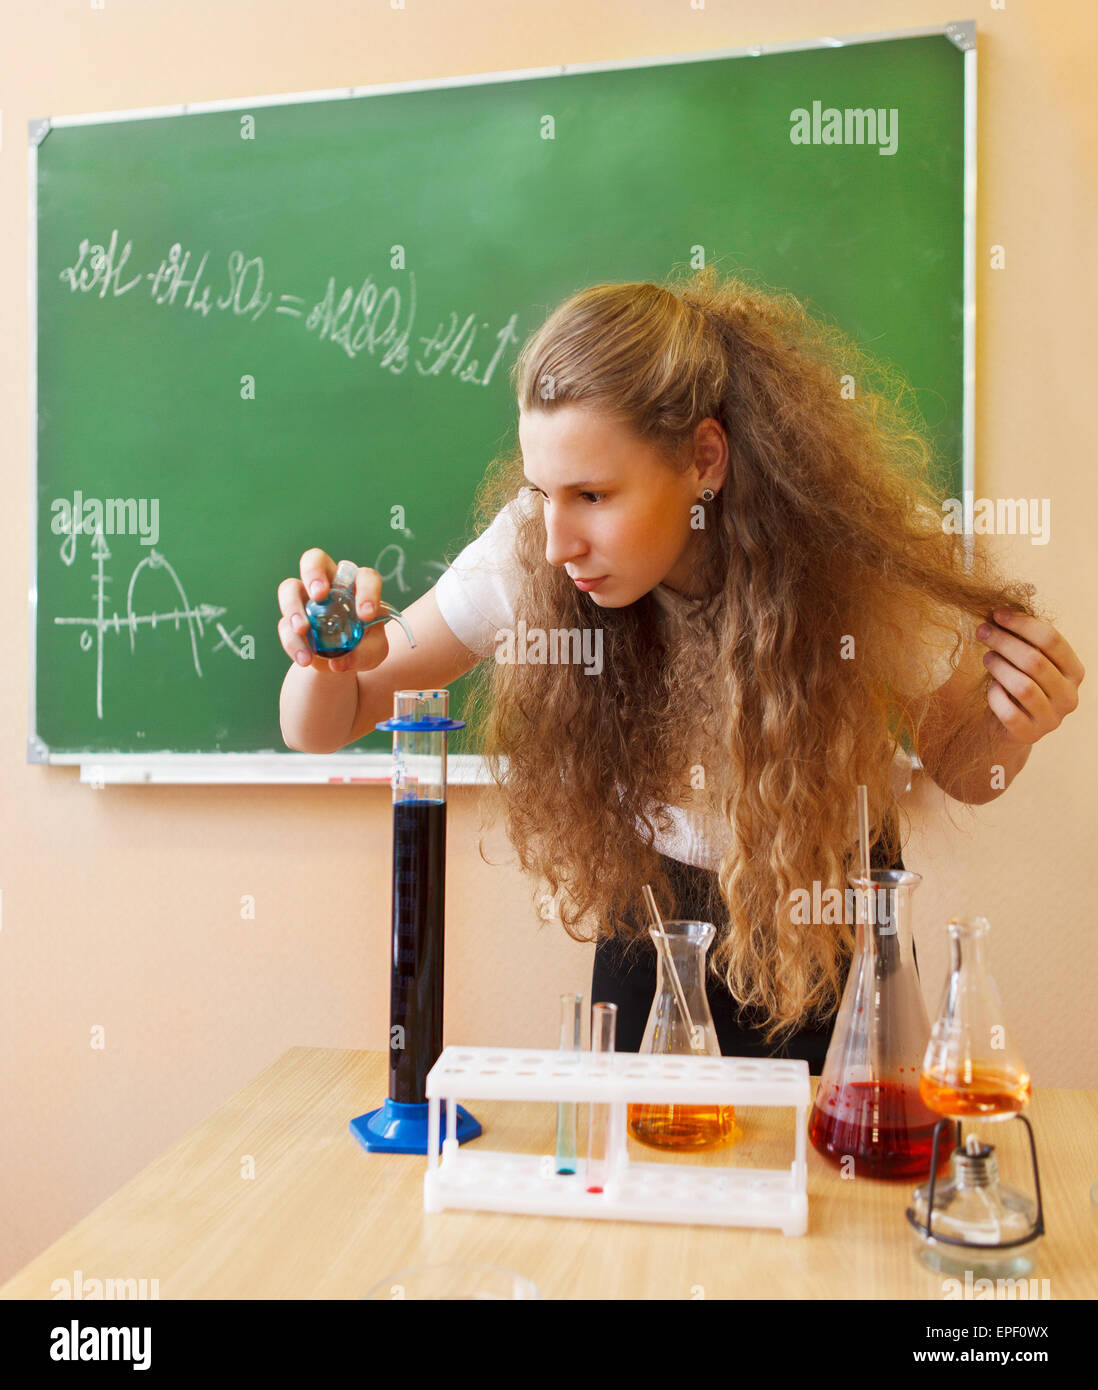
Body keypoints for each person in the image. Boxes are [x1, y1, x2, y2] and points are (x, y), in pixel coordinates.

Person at [278, 268, 1084, 1067]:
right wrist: (327, 660)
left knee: (844, 1188)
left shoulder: (846, 568)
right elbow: (328, 722)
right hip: (649, 939)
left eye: (593, 495)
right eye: (541, 490)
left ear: (705, 458)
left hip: (831, 932)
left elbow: (969, 771)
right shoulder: (532, 546)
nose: (558, 543)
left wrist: (1013, 725)